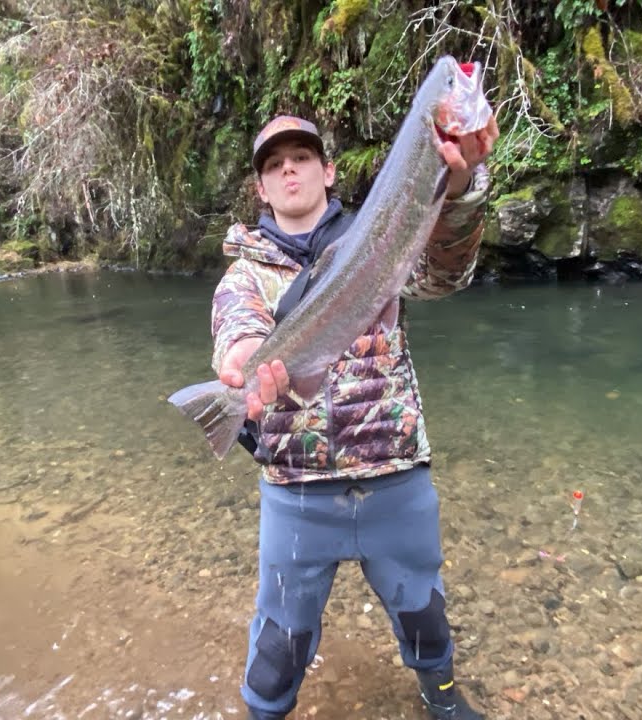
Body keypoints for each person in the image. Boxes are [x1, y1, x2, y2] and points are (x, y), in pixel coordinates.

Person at [208, 109, 498, 720]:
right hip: (297, 494)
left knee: (426, 619)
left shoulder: (382, 237)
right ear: (261, 188)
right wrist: (242, 363)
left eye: (302, 157)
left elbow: (445, 274)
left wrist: (460, 189)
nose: (290, 170)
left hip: (395, 479)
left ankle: (442, 700)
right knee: (280, 646)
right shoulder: (243, 274)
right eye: (275, 164)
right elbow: (236, 328)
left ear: (329, 170)